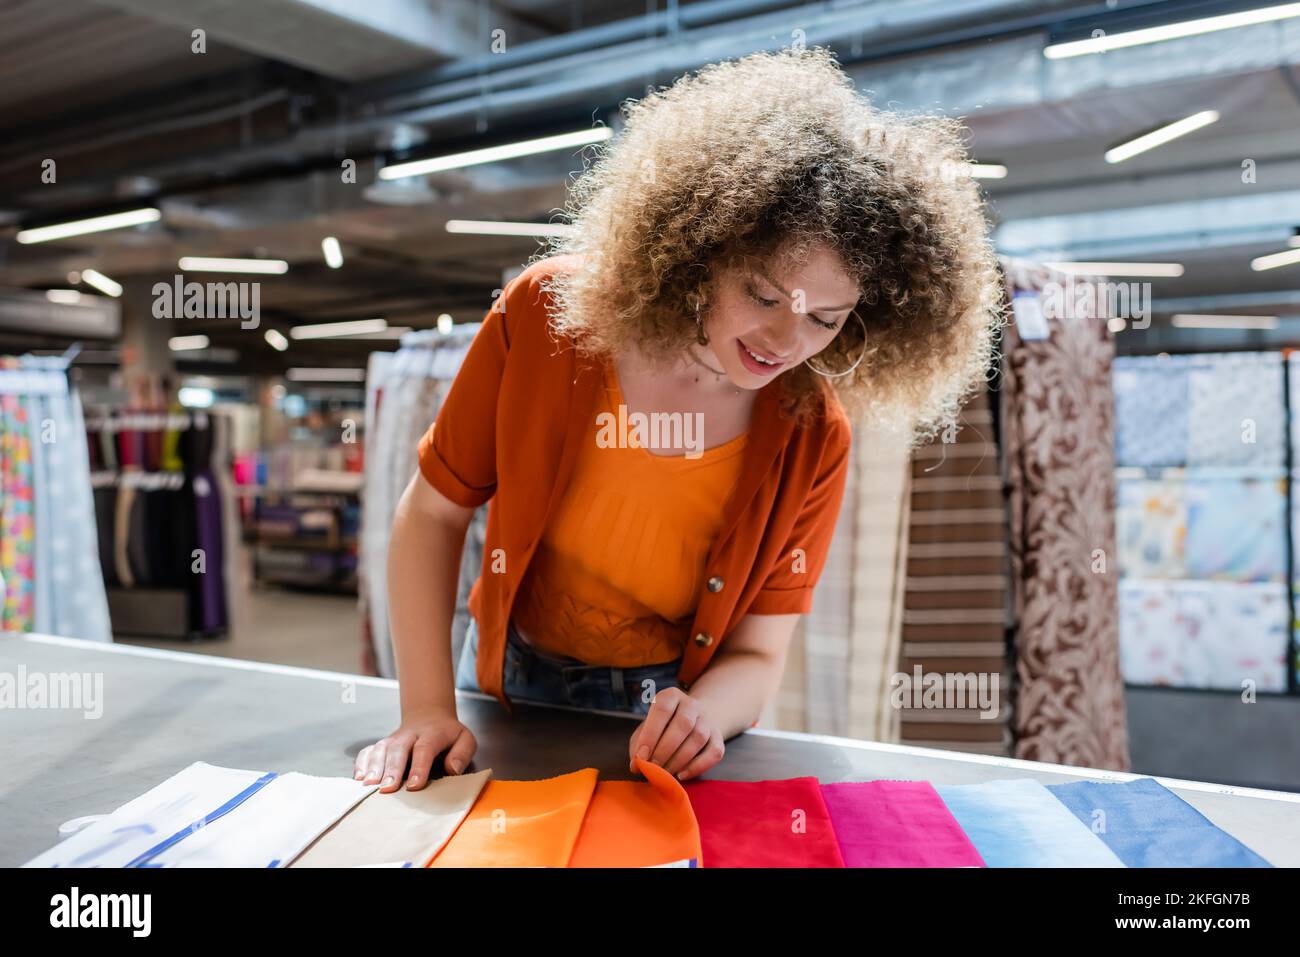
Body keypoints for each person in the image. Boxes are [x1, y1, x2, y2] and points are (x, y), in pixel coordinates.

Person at [355, 46, 1004, 792]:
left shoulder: (814, 436)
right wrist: (426, 707)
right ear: (700, 251)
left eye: (826, 319)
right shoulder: (544, 318)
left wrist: (704, 713)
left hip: (659, 720)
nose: (786, 343)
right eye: (764, 296)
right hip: (501, 681)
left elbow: (760, 655)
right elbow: (433, 512)